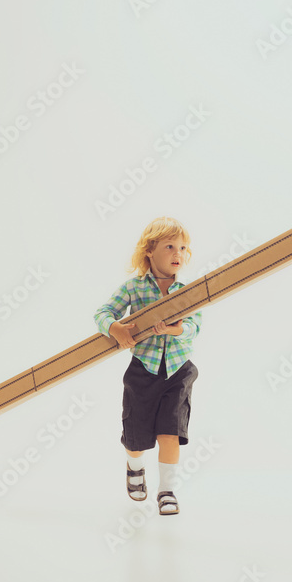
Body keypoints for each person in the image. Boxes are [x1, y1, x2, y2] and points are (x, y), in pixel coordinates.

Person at [93, 217, 202, 515]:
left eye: (183, 247)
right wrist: (114, 328)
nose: (178, 253)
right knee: (135, 437)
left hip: (178, 371)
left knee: (171, 431)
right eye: (170, 246)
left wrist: (176, 330)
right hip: (144, 370)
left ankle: (166, 490)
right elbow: (103, 313)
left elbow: (195, 324)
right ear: (150, 251)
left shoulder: (187, 291)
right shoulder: (134, 288)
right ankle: (134, 465)